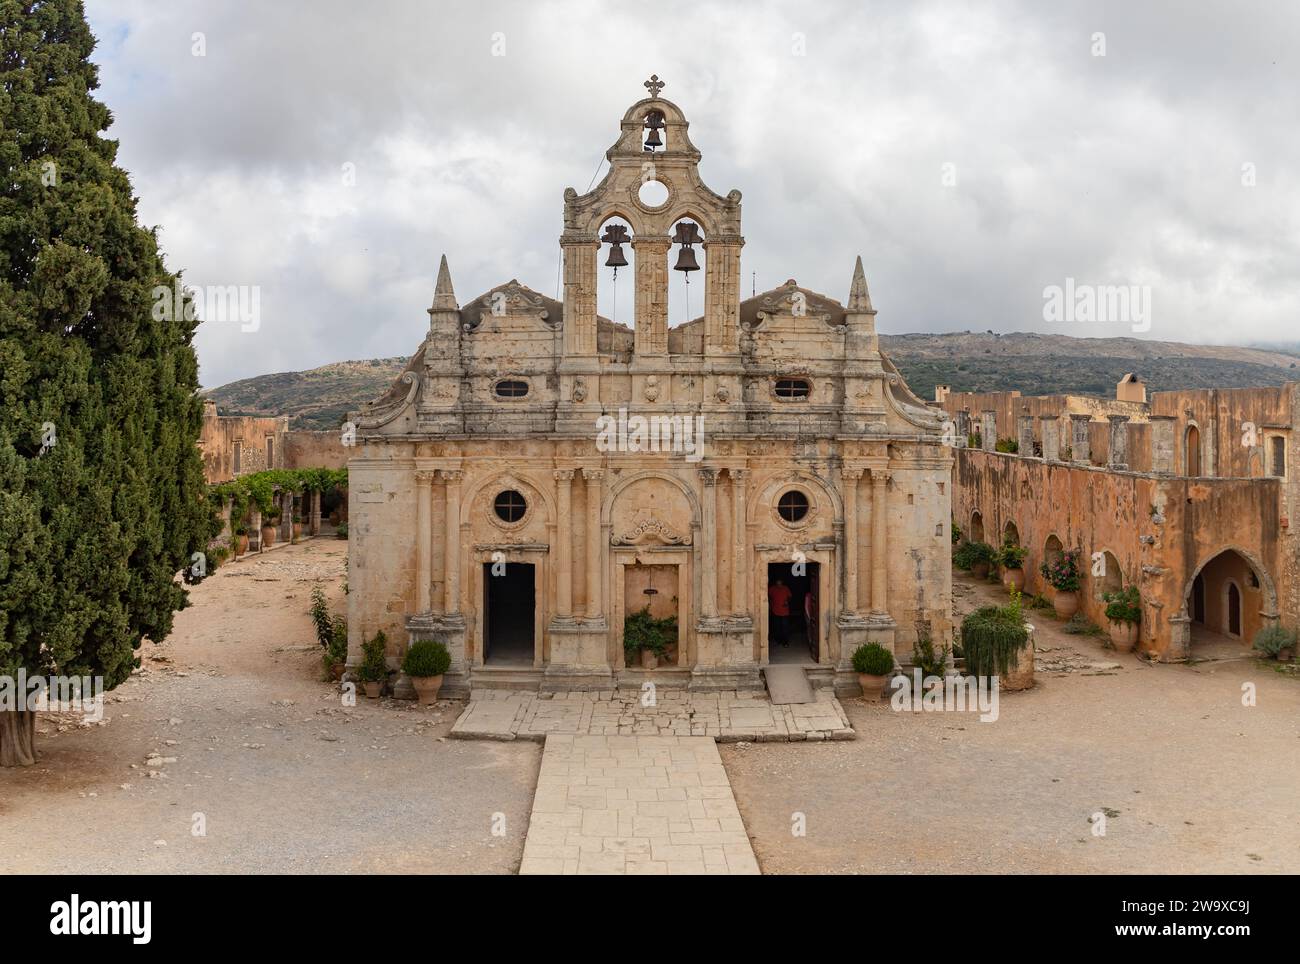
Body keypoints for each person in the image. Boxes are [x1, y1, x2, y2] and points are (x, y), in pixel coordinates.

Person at [768, 577, 792, 647]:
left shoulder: (785, 588)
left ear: (782, 582)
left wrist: (787, 601)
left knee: (785, 627)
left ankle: (785, 642)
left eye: (780, 583)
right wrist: (770, 605)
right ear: (776, 583)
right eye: (778, 583)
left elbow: (790, 597)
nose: (779, 584)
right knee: (777, 627)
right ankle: (778, 640)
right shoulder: (772, 589)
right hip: (775, 611)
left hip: (784, 612)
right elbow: (768, 597)